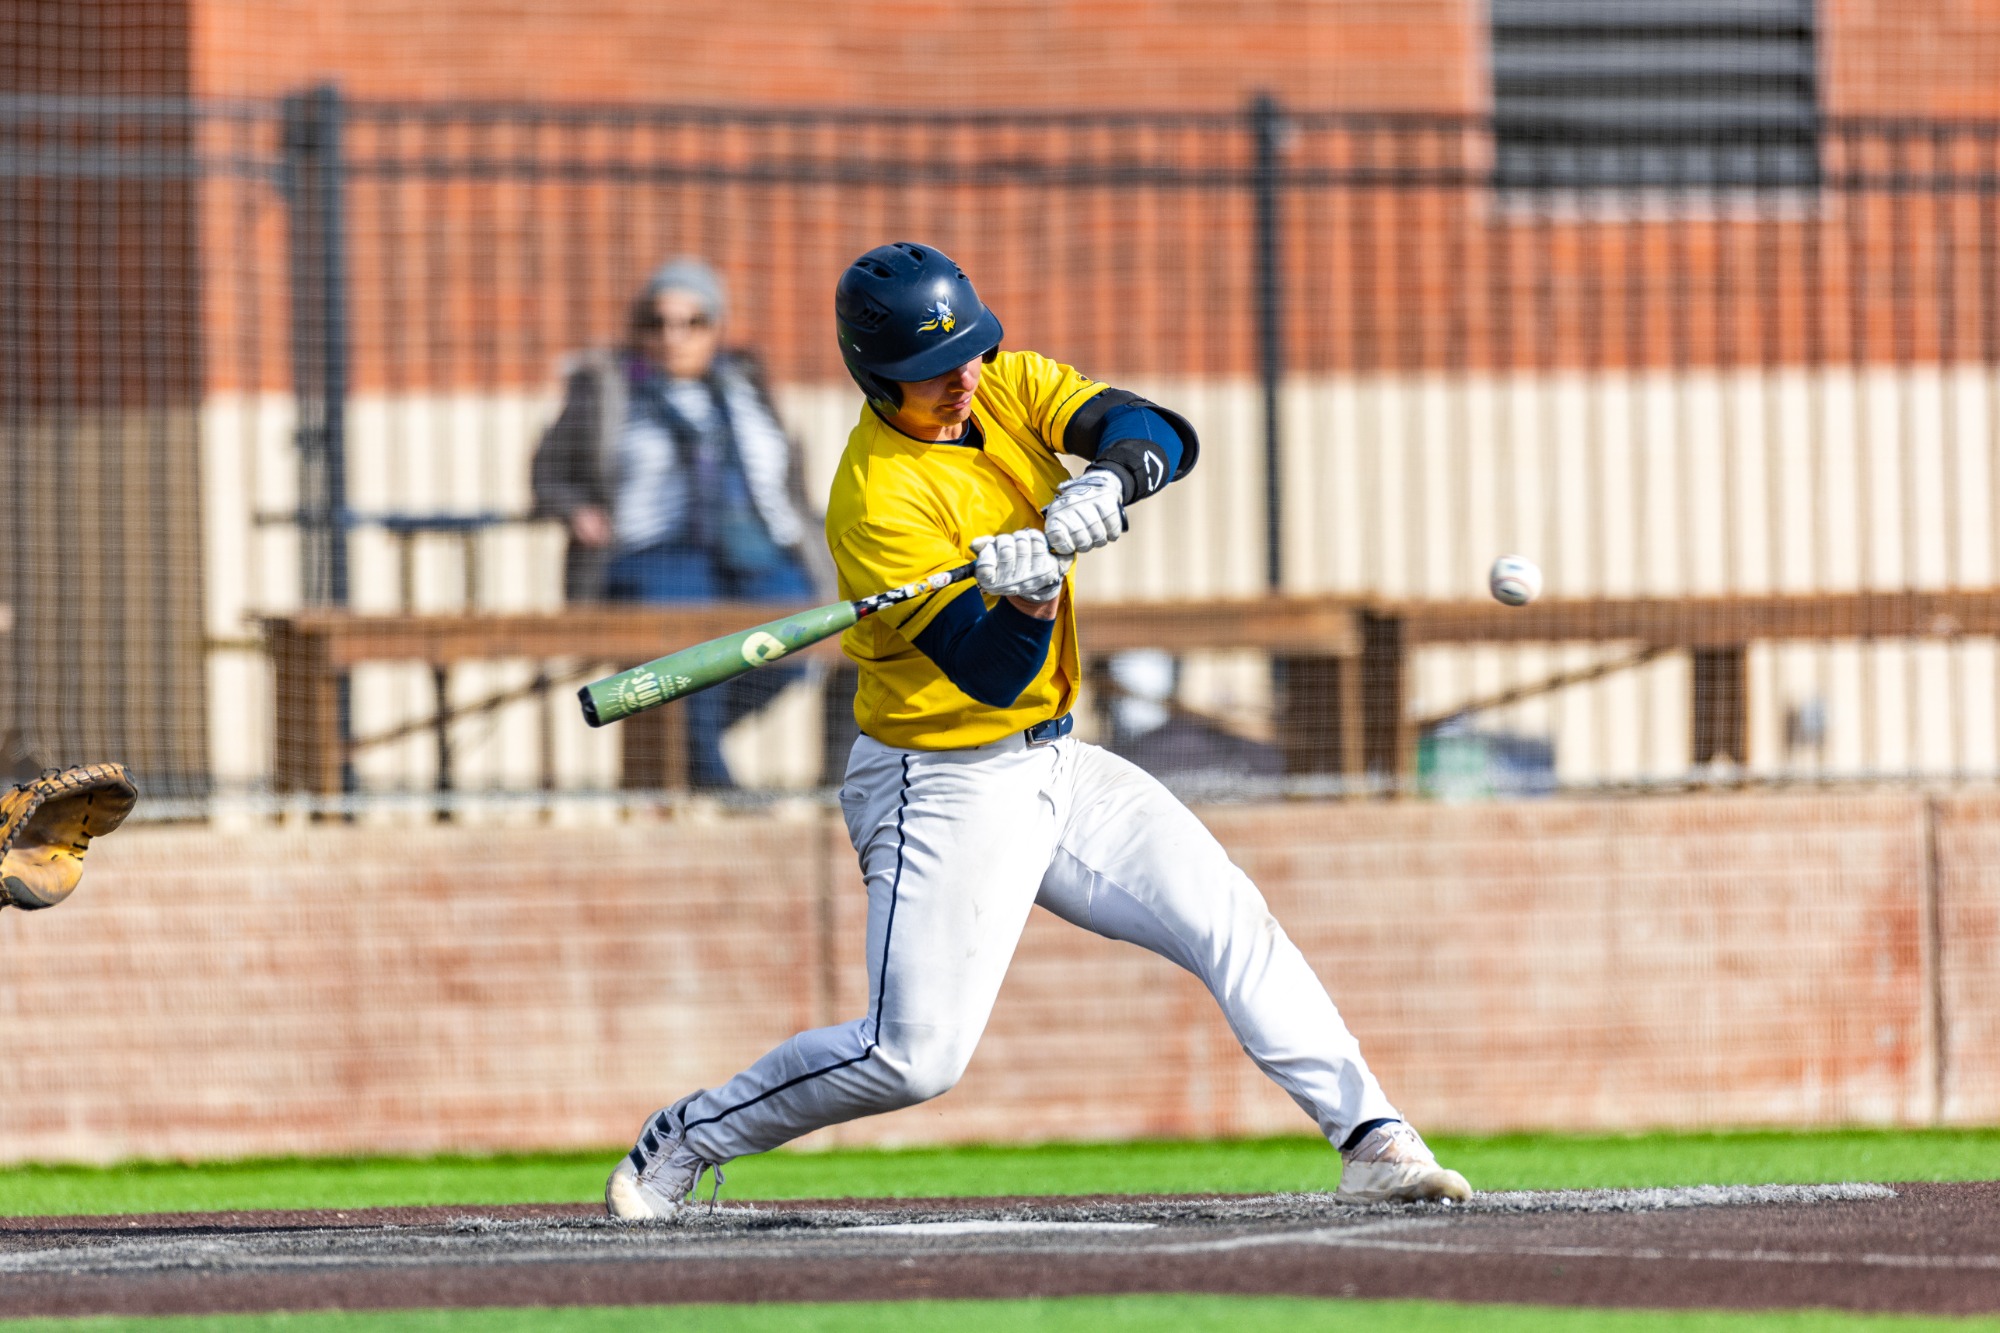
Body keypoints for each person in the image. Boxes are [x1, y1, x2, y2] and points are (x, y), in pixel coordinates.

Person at [606, 242, 1471, 1216]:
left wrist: (1110, 479)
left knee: (1224, 915)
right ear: (874, 375)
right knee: (912, 1057)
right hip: (939, 779)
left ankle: (1372, 1136)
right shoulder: (875, 498)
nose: (962, 380)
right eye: (934, 372)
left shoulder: (1003, 385)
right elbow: (985, 670)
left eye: (969, 354)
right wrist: (1025, 598)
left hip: (1059, 758)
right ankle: (686, 1135)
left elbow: (1156, 430)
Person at [531, 258, 826, 789]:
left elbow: (788, 476)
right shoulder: (608, 387)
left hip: (757, 548)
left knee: (797, 647)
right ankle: (722, 790)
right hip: (656, 552)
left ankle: (685, 754)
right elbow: (548, 471)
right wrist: (576, 510)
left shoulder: (746, 386)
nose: (672, 337)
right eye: (656, 322)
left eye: (691, 322)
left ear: (716, 327)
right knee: (686, 666)